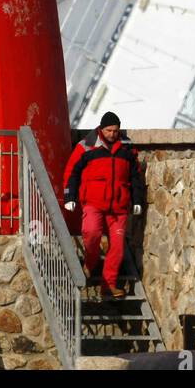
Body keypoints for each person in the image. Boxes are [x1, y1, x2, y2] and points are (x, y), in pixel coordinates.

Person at [63, 112, 146, 296]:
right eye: (109, 130)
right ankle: (91, 263)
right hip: (93, 203)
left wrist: (137, 200)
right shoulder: (86, 147)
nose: (112, 134)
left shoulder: (128, 148)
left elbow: (136, 176)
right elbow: (72, 172)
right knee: (91, 233)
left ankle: (108, 286)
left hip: (119, 208)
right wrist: (70, 197)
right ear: (101, 129)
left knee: (117, 245)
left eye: (116, 131)